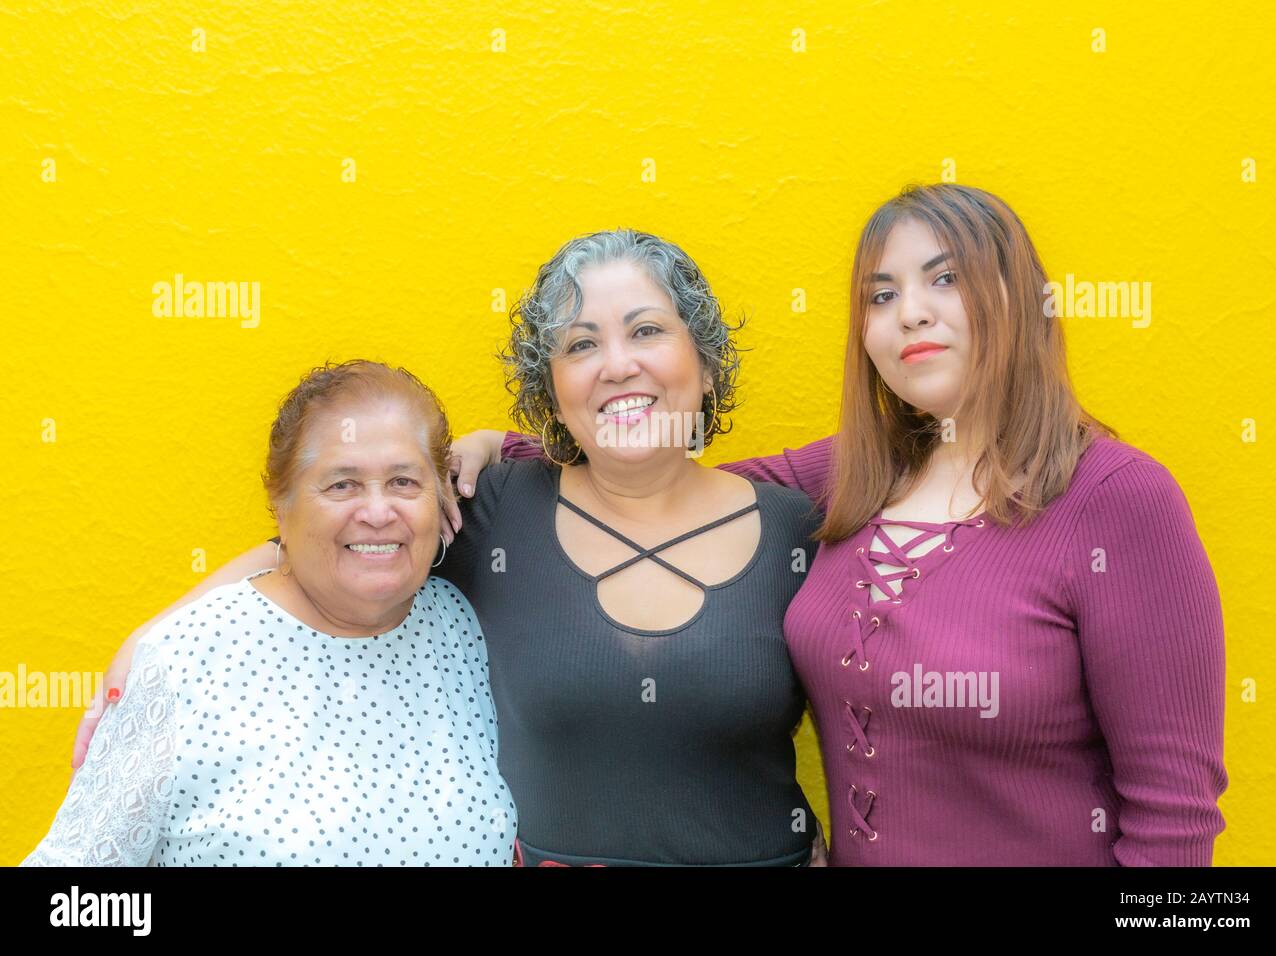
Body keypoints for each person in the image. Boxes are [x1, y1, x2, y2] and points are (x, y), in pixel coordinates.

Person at [461, 184, 1229, 865]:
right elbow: (667, 484)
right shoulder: (865, 472)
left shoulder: (1122, 501)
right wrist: (512, 451)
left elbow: (1174, 815)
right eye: (882, 295)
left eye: (946, 279)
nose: (912, 313)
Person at [70, 231, 827, 866]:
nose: (617, 364)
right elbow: (318, 548)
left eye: (648, 331)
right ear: (552, 385)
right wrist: (150, 647)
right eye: (580, 343)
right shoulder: (494, 511)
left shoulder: (799, 531)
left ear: (704, 354)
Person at [28, 360, 516, 865]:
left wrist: (492, 441)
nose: (376, 512)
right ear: (281, 508)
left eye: (403, 482)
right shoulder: (184, 660)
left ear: (441, 498)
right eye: (342, 485)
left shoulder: (467, 626)